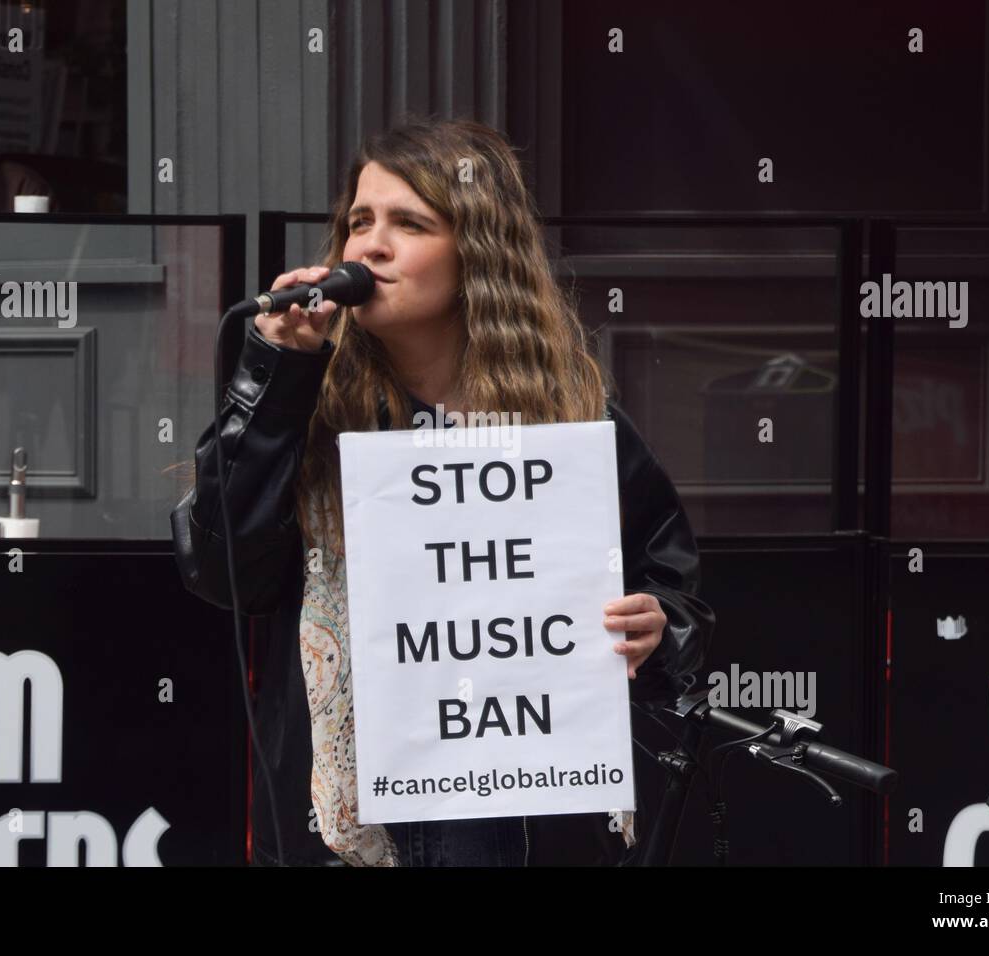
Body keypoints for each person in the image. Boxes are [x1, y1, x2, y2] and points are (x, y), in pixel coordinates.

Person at [170, 117, 715, 867]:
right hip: (355, 837)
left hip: (521, 821)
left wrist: (656, 627)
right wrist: (276, 376)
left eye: (409, 223)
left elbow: (671, 590)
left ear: (476, 251)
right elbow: (221, 567)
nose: (370, 245)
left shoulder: (568, 419)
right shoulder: (304, 404)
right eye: (360, 221)